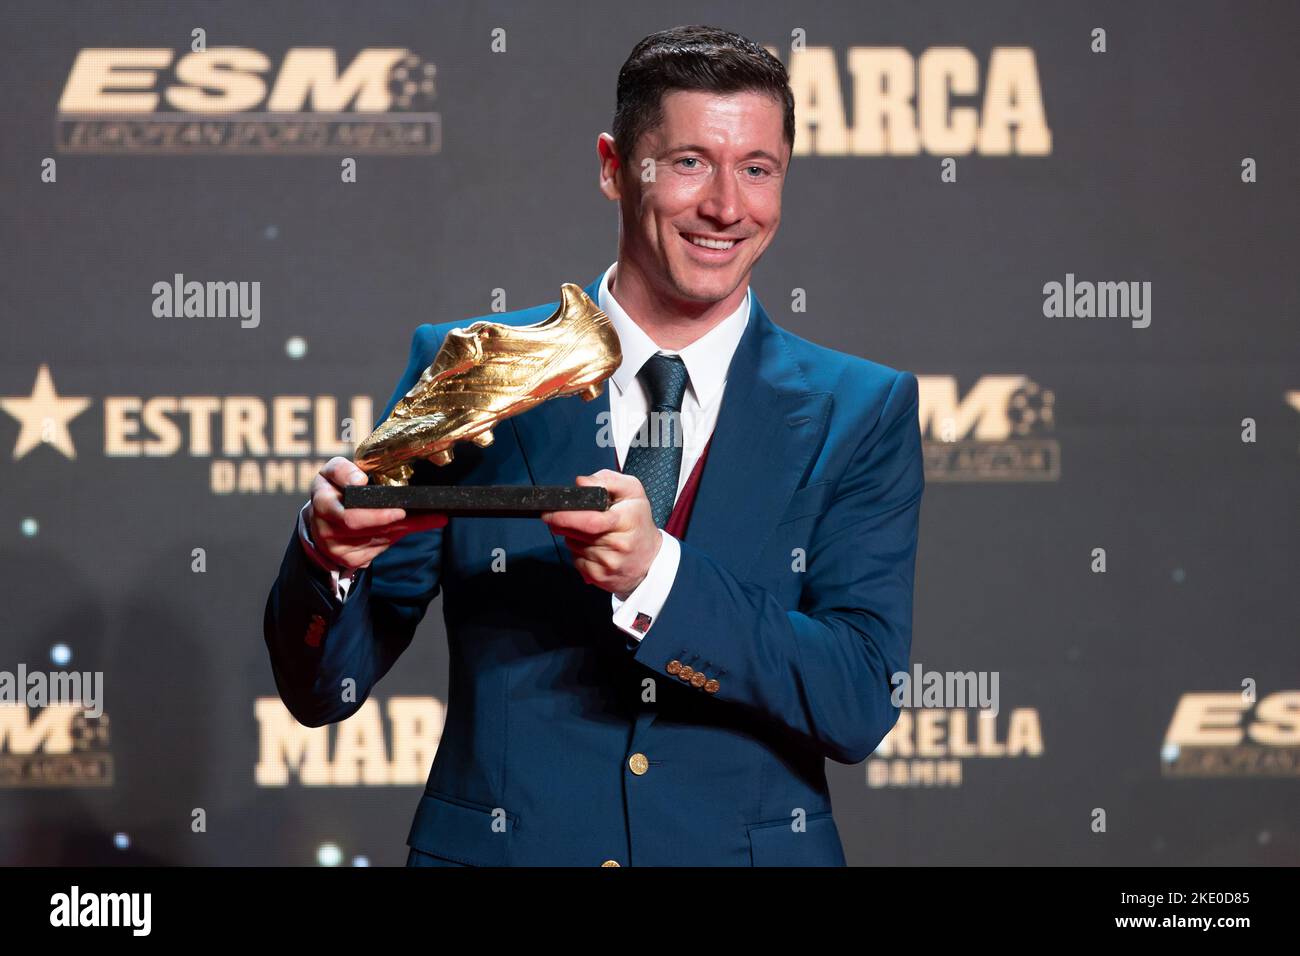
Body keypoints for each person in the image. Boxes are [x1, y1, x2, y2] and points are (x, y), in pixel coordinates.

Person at [263, 24, 924, 866]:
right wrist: (329, 559)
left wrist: (659, 578)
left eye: (758, 169)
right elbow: (325, 692)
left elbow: (858, 701)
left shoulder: (860, 409)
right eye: (689, 162)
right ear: (615, 167)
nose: (727, 205)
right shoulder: (476, 368)